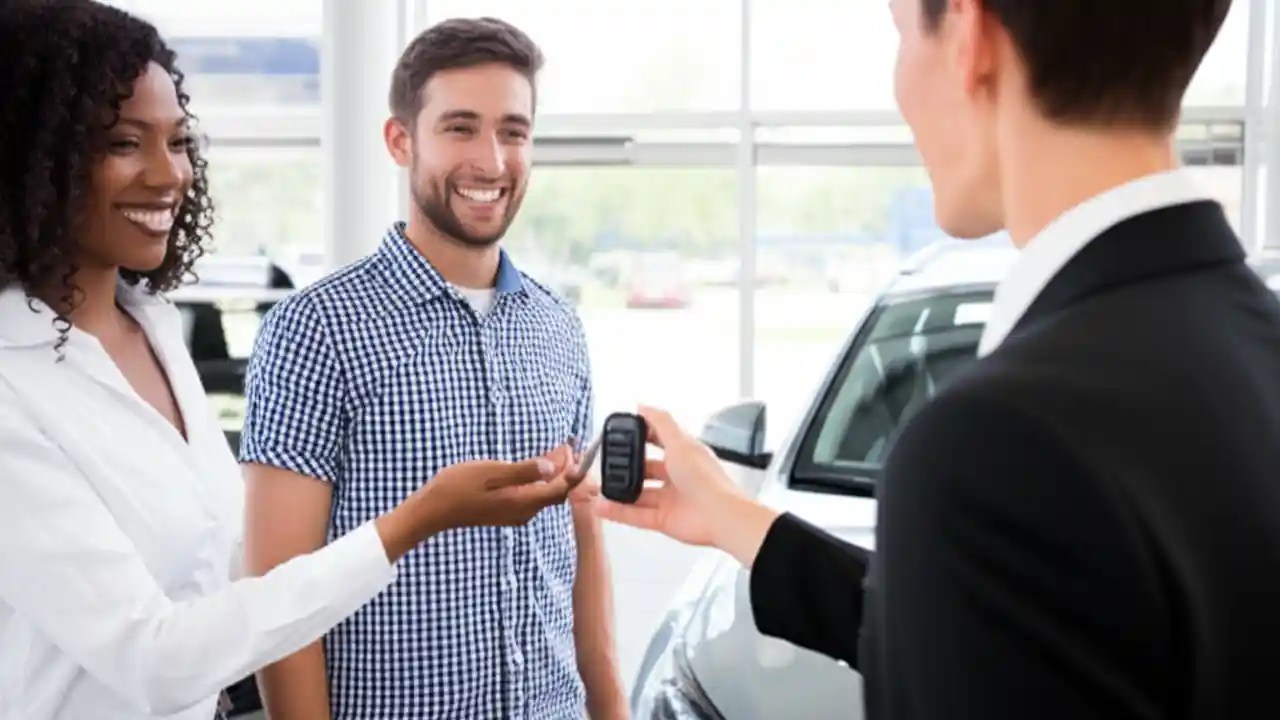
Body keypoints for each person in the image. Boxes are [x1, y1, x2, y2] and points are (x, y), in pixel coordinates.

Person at [596, 0, 1280, 718]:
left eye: (898, 32)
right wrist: (738, 521)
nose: (898, 88)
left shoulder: (994, 441)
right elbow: (1041, 624)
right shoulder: (1253, 349)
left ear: (970, 32)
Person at [0, 3, 583, 719]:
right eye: (124, 142)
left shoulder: (152, 330)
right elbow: (155, 655)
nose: (168, 174)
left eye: (178, 141)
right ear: (36, 156)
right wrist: (415, 521)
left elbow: (238, 580)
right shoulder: (15, 386)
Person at [239, 17, 627, 720]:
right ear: (401, 140)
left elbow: (581, 549)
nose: (492, 160)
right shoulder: (314, 330)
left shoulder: (558, 327)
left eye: (513, 131)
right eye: (460, 128)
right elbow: (278, 598)